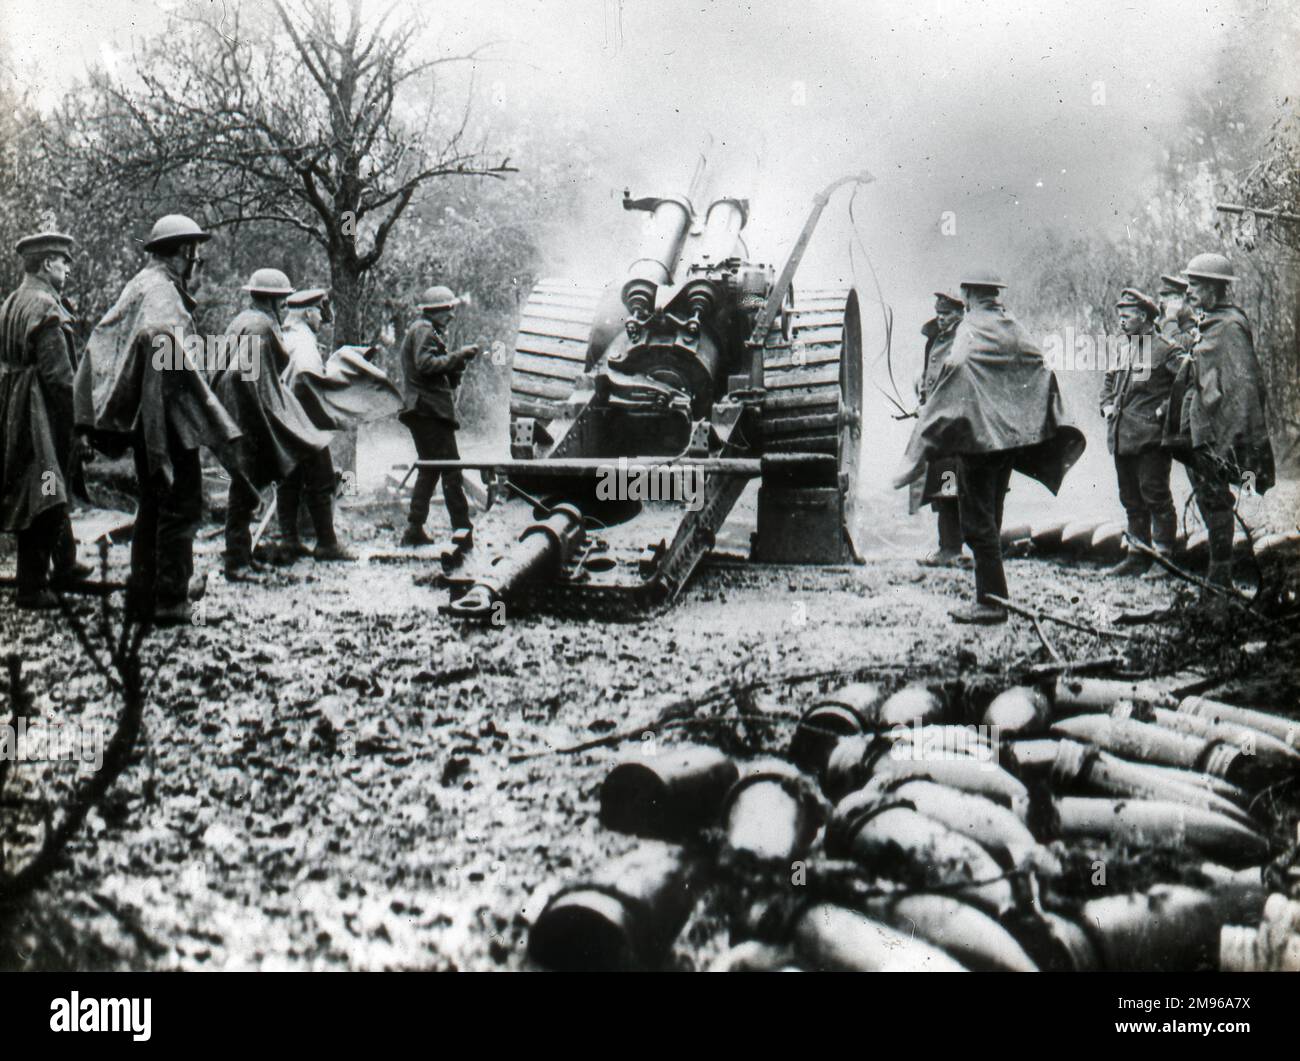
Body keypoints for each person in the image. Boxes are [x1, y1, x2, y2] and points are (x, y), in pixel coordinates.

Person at [75, 214, 242, 624]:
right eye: (196, 256)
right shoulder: (163, 293)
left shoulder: (140, 285)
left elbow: (105, 342)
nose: (197, 264)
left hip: (144, 417)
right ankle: (170, 598)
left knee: (152, 505)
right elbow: (166, 353)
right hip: (165, 418)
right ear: (185, 253)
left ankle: (143, 594)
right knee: (181, 504)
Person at [894, 268, 1085, 624]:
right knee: (991, 519)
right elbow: (1040, 366)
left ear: (967, 293)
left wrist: (951, 402)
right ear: (995, 293)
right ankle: (995, 599)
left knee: (977, 525)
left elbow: (958, 363)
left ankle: (991, 603)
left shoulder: (971, 327)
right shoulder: (1013, 326)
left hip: (979, 441)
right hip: (1007, 442)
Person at [1162, 252, 1274, 593]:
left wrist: (1232, 437)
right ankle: (1218, 574)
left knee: (1216, 497)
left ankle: (1220, 576)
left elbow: (1244, 385)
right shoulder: (1208, 322)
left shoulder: (1230, 326)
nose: (1189, 291)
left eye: (1196, 285)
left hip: (1218, 430)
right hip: (1198, 428)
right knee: (1207, 496)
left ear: (1215, 287)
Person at [212, 268, 332, 580]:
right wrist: (258, 412)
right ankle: (237, 563)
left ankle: (241, 557)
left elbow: (223, 367)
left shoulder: (242, 320)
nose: (284, 308)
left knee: (244, 488)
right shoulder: (261, 327)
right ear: (275, 301)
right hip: (247, 417)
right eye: (282, 300)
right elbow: (241, 374)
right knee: (245, 490)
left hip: (232, 413)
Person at [0, 230, 93, 608]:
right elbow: (59, 377)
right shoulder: (47, 308)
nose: (68, 268)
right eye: (62, 261)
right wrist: (81, 424)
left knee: (43, 483)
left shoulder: (10, 302)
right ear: (45, 264)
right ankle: (31, 587)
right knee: (47, 489)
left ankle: (65, 564)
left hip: (12, 403)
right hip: (39, 408)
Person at [1100, 288, 1179, 578]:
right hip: (1121, 437)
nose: (1121, 321)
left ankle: (1163, 557)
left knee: (1155, 495)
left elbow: (1187, 383)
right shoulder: (1123, 349)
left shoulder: (1165, 349)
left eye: (1127, 316)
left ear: (1144, 316)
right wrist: (1106, 405)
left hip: (1150, 439)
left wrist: (1164, 412)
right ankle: (1136, 554)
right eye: (1119, 316)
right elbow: (1108, 383)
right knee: (1130, 498)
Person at [275, 287, 353, 561]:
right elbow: (307, 377)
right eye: (319, 311)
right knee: (321, 481)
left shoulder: (287, 336)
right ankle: (326, 543)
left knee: (289, 480)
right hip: (305, 421)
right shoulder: (305, 341)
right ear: (308, 313)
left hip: (286, 419)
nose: (322, 317)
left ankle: (289, 540)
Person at [397, 285, 479, 546]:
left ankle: (414, 528)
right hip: (429, 411)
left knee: (430, 468)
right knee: (451, 469)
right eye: (448, 310)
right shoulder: (423, 330)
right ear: (434, 311)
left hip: (424, 410)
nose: (452, 316)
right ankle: (462, 529)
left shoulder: (424, 330)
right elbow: (425, 365)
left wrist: (455, 367)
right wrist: (457, 357)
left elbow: (432, 369)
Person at [909, 291, 966, 566]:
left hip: (955, 430)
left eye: (946, 315)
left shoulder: (964, 340)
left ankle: (953, 549)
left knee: (952, 487)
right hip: (938, 429)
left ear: (959, 314)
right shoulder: (934, 339)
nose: (941, 319)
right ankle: (948, 546)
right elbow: (929, 377)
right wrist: (921, 398)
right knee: (943, 488)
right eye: (939, 314)